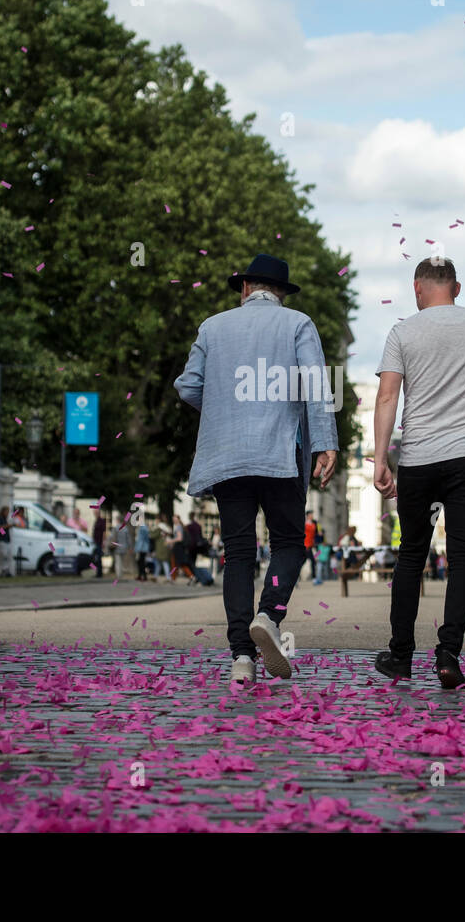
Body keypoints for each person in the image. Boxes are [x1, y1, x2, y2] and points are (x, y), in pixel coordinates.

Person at [175, 253, 338, 685]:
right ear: (281, 293)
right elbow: (317, 387)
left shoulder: (213, 327)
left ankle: (241, 658)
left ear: (245, 288)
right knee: (287, 540)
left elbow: (189, 386)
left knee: (239, 552)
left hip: (228, 455)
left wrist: (221, 408)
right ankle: (269, 614)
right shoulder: (298, 324)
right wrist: (325, 444)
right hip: (279, 453)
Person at [373, 257, 465, 689]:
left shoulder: (402, 332)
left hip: (418, 459)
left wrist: (382, 459)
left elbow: (386, 398)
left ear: (417, 288)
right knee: (462, 558)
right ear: (456, 287)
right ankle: (448, 655)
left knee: (412, 555)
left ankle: (400, 657)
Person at [170, 514, 196, 584]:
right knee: (180, 564)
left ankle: (173, 578)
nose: (173, 520)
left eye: (175, 519)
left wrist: (170, 541)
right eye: (173, 519)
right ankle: (191, 576)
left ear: (178, 519)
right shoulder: (180, 526)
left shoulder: (178, 527)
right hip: (180, 548)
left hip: (177, 548)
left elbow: (179, 538)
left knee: (174, 564)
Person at [0, 505, 13, 577]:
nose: (7, 513)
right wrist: (6, 526)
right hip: (0, 540)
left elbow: (3, 530)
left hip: (6, 540)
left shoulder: (5, 519)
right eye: (7, 512)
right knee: (3, 555)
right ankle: (3, 570)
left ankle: (6, 570)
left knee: (7, 556)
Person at [113, 513, 134, 580]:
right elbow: (129, 539)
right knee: (122, 561)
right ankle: (121, 575)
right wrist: (130, 547)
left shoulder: (116, 528)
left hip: (117, 547)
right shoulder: (125, 528)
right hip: (124, 547)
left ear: (118, 520)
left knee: (118, 561)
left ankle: (118, 575)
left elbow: (113, 537)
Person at [135, 516, 152, 582]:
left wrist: (138, 548)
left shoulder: (143, 528)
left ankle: (144, 576)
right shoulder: (142, 527)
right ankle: (141, 575)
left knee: (141, 562)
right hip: (142, 547)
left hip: (142, 547)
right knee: (140, 562)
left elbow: (144, 539)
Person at [303, 513, 319, 582]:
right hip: (306, 545)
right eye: (310, 515)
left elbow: (317, 533)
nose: (312, 516)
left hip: (310, 545)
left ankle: (275, 585)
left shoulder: (314, 523)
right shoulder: (304, 524)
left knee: (309, 561)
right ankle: (275, 584)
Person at [91, 509, 106, 578]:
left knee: (99, 558)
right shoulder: (96, 521)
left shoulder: (101, 521)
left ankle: (99, 573)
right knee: (96, 558)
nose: (95, 514)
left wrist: (103, 541)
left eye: (96, 513)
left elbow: (104, 532)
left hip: (99, 542)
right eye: (94, 513)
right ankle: (98, 572)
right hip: (96, 542)